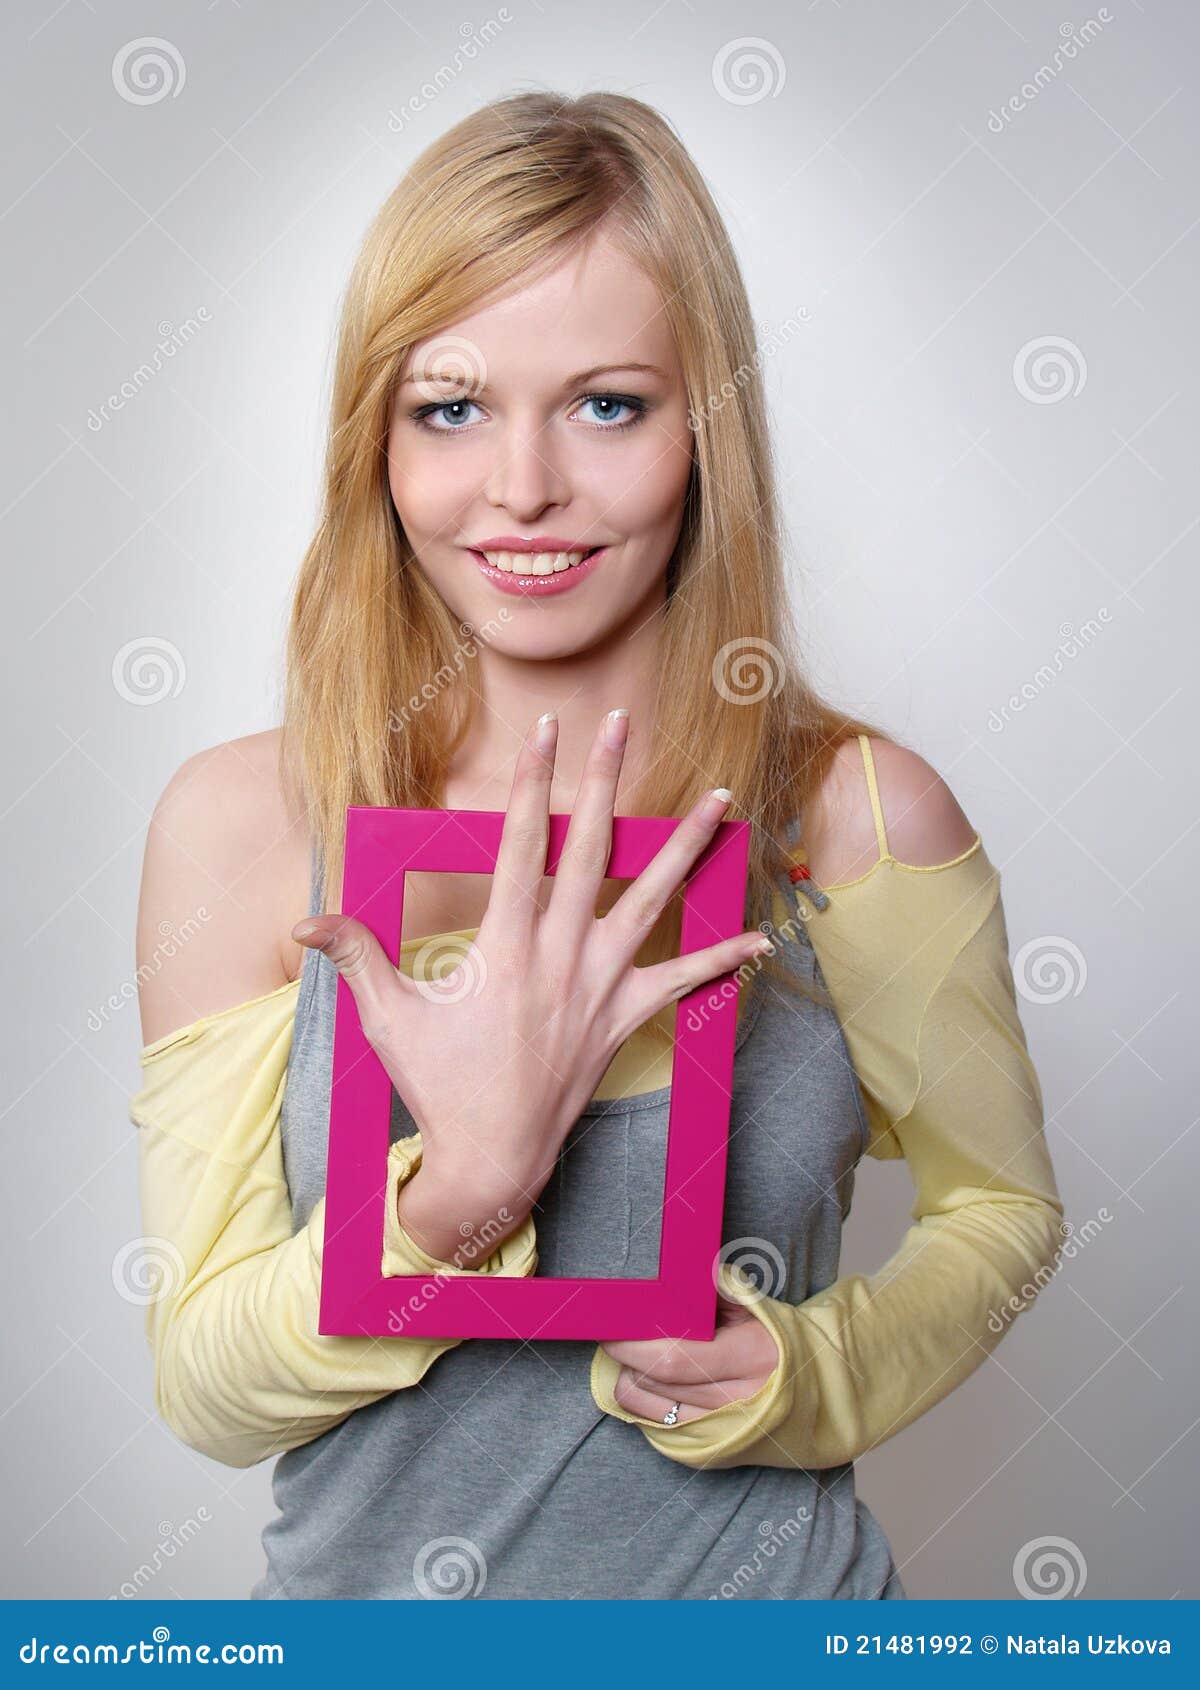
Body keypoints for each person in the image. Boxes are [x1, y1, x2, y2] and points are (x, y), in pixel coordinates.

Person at [130, 90, 1065, 1601]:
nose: (523, 487)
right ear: (375, 439)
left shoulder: (854, 814)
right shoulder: (247, 825)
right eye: (452, 407)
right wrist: (463, 1193)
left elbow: (1003, 1211)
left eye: (609, 403)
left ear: (709, 426)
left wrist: (806, 1371)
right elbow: (205, 1385)